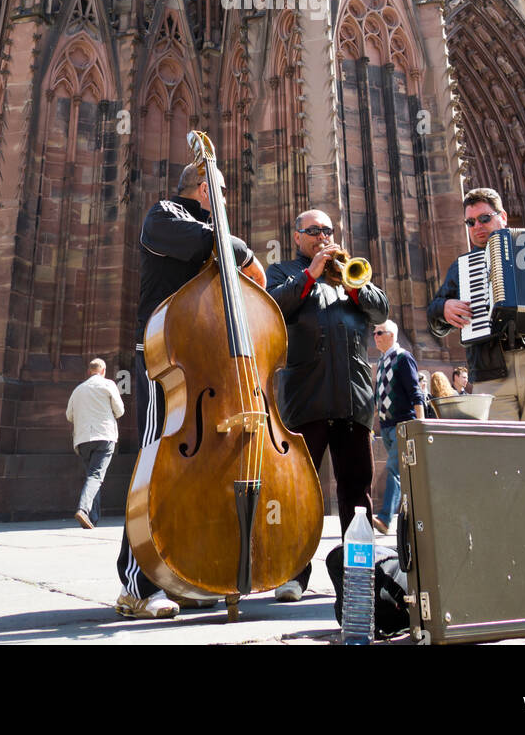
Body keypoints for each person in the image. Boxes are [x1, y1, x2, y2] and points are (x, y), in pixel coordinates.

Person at [116, 163, 265, 620]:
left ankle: (187, 574)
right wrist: (245, 254)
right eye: (221, 192)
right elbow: (213, 244)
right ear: (204, 189)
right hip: (167, 363)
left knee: (201, 471)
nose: (226, 202)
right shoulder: (164, 215)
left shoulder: (208, 230)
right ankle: (136, 584)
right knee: (156, 461)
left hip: (207, 364)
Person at [427, 187, 525, 511]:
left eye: (484, 218)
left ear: (503, 217)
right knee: (501, 460)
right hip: (492, 374)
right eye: (470, 223)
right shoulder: (462, 268)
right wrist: (443, 309)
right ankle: (511, 535)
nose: (477, 228)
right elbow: (435, 318)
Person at [266, 211, 389, 599]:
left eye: (328, 231)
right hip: (306, 397)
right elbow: (271, 307)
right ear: (297, 236)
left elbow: (380, 311)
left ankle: (359, 574)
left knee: (357, 493)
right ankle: (292, 574)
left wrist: (352, 284)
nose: (322, 237)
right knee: (299, 493)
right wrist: (309, 275)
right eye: (314, 231)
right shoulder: (283, 271)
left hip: (353, 399)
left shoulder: (351, 274)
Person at [371, 320, 424, 535]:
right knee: (405, 473)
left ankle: (385, 519)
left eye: (379, 332)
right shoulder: (383, 360)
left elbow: (414, 390)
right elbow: (380, 394)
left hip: (403, 423)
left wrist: (419, 423)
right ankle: (414, 514)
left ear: (392, 335)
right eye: (374, 332)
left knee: (393, 469)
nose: (375, 336)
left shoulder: (403, 358)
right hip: (387, 425)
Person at [66, 358, 125, 529]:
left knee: (93, 477)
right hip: (104, 435)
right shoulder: (108, 385)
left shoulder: (78, 390)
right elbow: (120, 411)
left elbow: (69, 415)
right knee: (95, 477)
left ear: (89, 371)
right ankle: (83, 509)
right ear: (104, 371)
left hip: (83, 439)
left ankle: (92, 518)